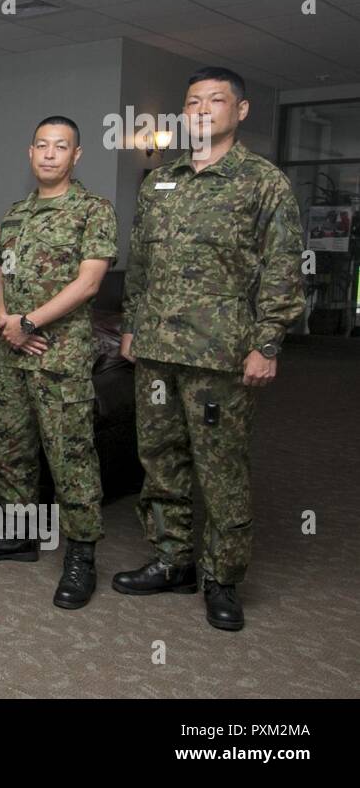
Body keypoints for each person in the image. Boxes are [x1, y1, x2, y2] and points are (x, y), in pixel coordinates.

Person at [113, 67, 305, 631]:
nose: (201, 109)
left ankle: (222, 578)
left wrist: (266, 343)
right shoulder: (159, 181)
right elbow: (141, 263)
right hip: (155, 351)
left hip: (221, 355)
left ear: (239, 112)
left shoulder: (262, 183)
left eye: (215, 100)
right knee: (159, 460)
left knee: (220, 470)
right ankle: (172, 559)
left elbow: (283, 270)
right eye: (192, 101)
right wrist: (131, 325)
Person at [0, 117, 117, 610]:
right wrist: (4, 319)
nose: (50, 154)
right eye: (42, 145)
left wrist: (29, 323)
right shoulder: (16, 215)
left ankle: (81, 556)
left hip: (59, 357)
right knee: (10, 449)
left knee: (70, 457)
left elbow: (89, 283)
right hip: (13, 354)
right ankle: (20, 535)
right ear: (30, 152)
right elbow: (1, 274)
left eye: (61, 147)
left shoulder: (92, 210)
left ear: (76, 156)